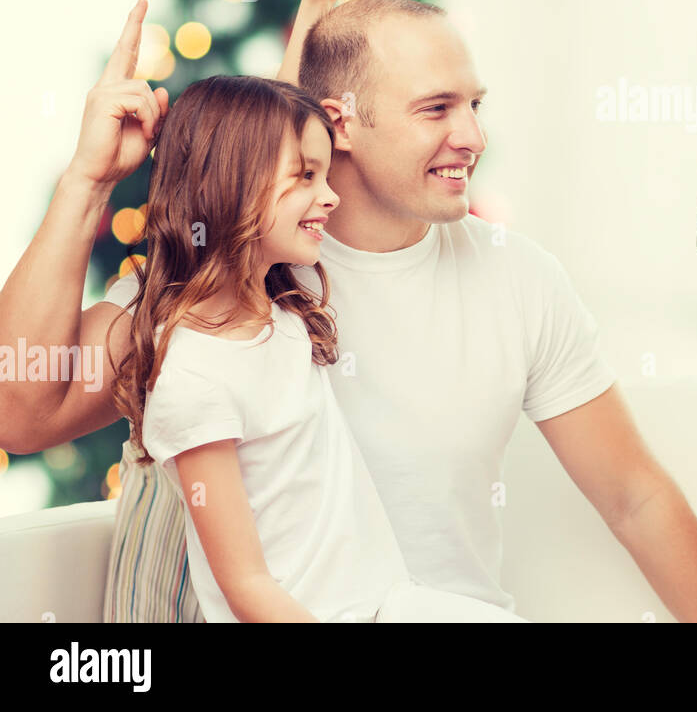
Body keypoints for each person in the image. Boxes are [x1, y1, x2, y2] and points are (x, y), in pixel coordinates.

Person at [0, 0, 697, 622]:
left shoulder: (519, 280)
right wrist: (87, 179)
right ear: (341, 124)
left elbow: (636, 496)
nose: (473, 138)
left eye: (474, 105)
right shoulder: (227, 291)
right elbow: (20, 413)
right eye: (436, 108)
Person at [111, 73, 526, 622]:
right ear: (229, 183)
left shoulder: (280, 305)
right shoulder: (193, 375)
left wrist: (312, 5)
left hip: (387, 605)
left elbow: (265, 122)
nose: (330, 196)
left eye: (325, 173)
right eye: (307, 175)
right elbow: (246, 586)